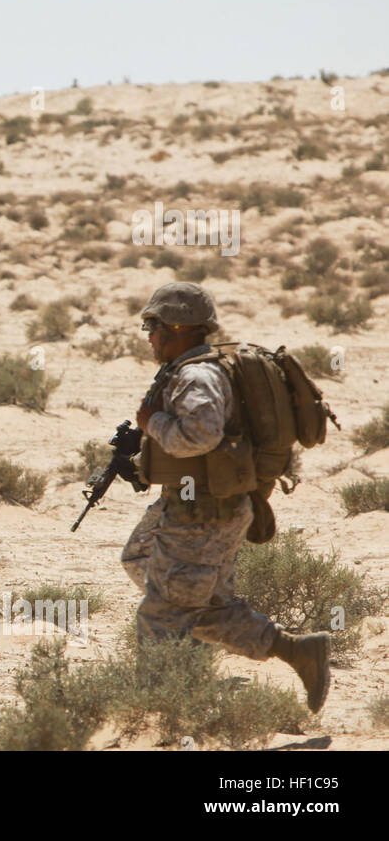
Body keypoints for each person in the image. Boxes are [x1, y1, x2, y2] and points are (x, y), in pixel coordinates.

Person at [120, 282, 330, 711]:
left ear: (178, 327)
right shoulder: (192, 367)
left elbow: (201, 434)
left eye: (153, 325)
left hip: (203, 514)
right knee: (151, 567)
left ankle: (163, 714)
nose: (149, 336)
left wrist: (153, 422)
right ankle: (298, 651)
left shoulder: (197, 374)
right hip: (194, 504)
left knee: (161, 616)